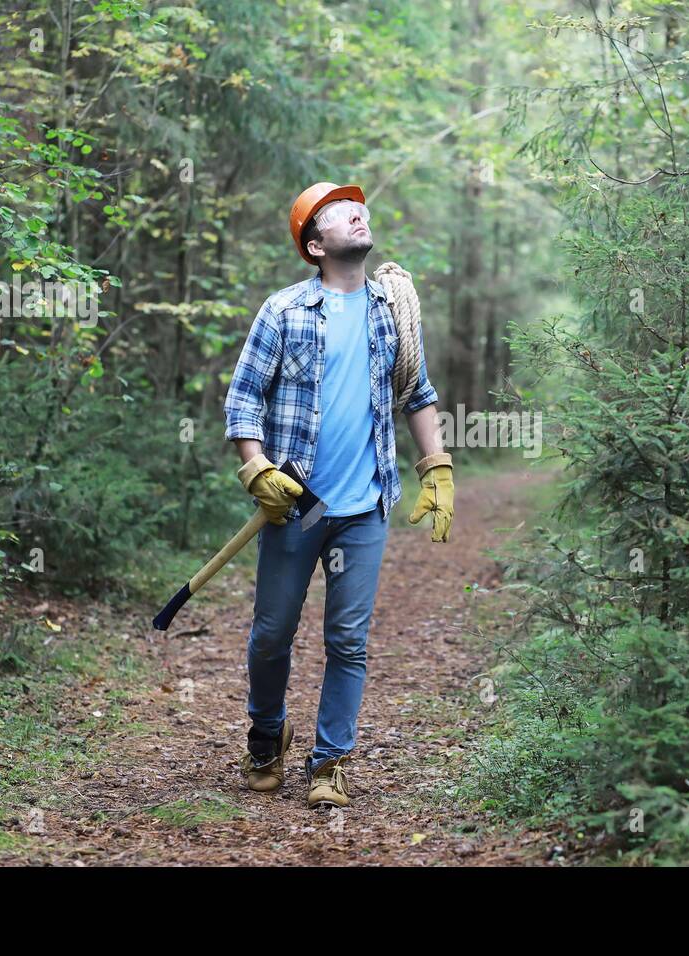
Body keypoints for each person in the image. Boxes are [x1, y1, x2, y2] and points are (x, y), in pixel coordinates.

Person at [222, 182, 454, 808]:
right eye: (339, 211)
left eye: (361, 207)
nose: (359, 210)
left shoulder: (390, 311)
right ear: (316, 244)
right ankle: (267, 736)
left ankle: (329, 763)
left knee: (348, 640)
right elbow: (243, 398)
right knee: (272, 633)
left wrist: (436, 466)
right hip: (297, 506)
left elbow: (418, 392)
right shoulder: (284, 311)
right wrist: (255, 469)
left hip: (364, 508)